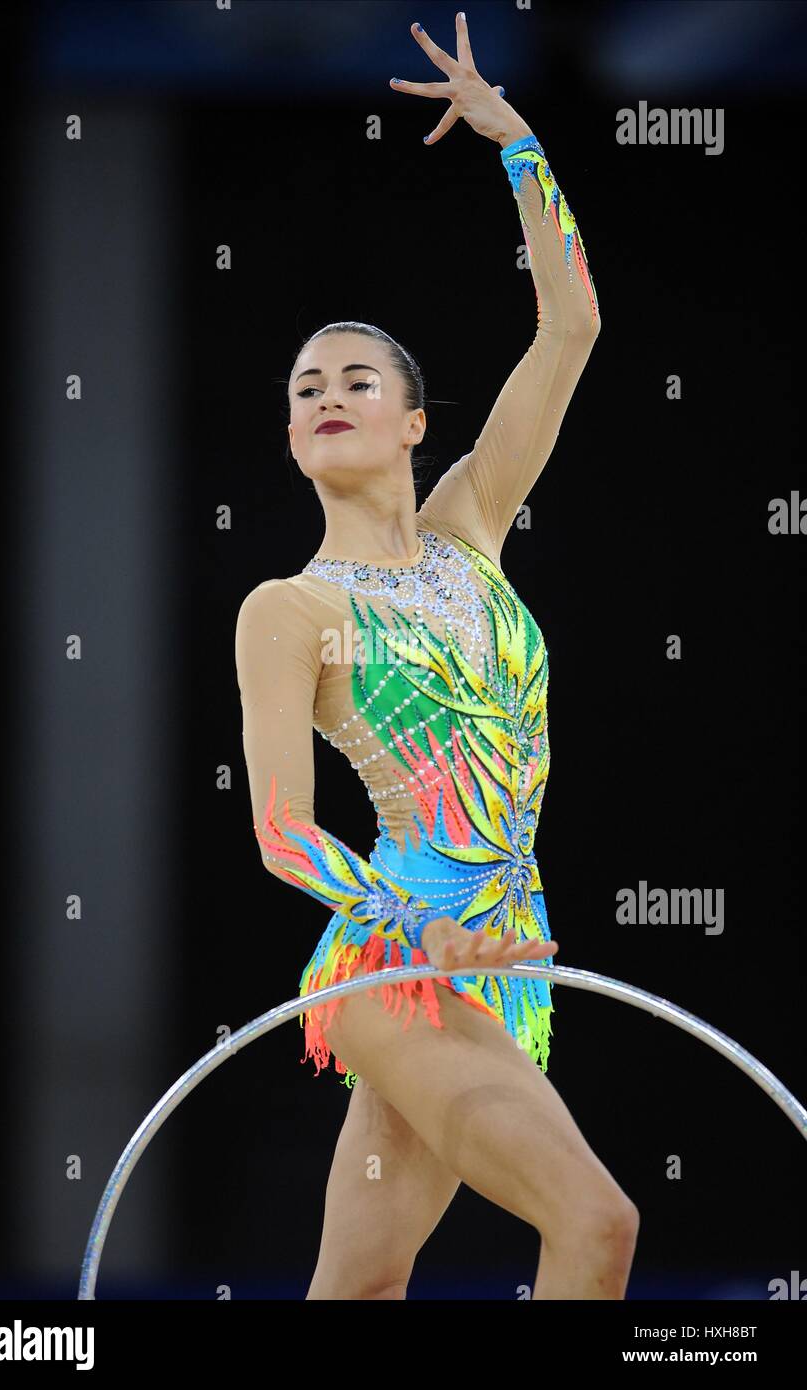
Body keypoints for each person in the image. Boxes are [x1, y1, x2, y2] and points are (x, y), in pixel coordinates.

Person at [235, 15, 639, 1300]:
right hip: (401, 957)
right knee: (599, 1224)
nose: (326, 394)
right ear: (296, 442)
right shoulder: (288, 607)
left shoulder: (471, 529)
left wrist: (518, 140)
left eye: (357, 378)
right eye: (305, 388)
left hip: (507, 958)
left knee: (355, 1291)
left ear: (415, 422)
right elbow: (284, 831)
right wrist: (412, 923)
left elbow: (569, 327)